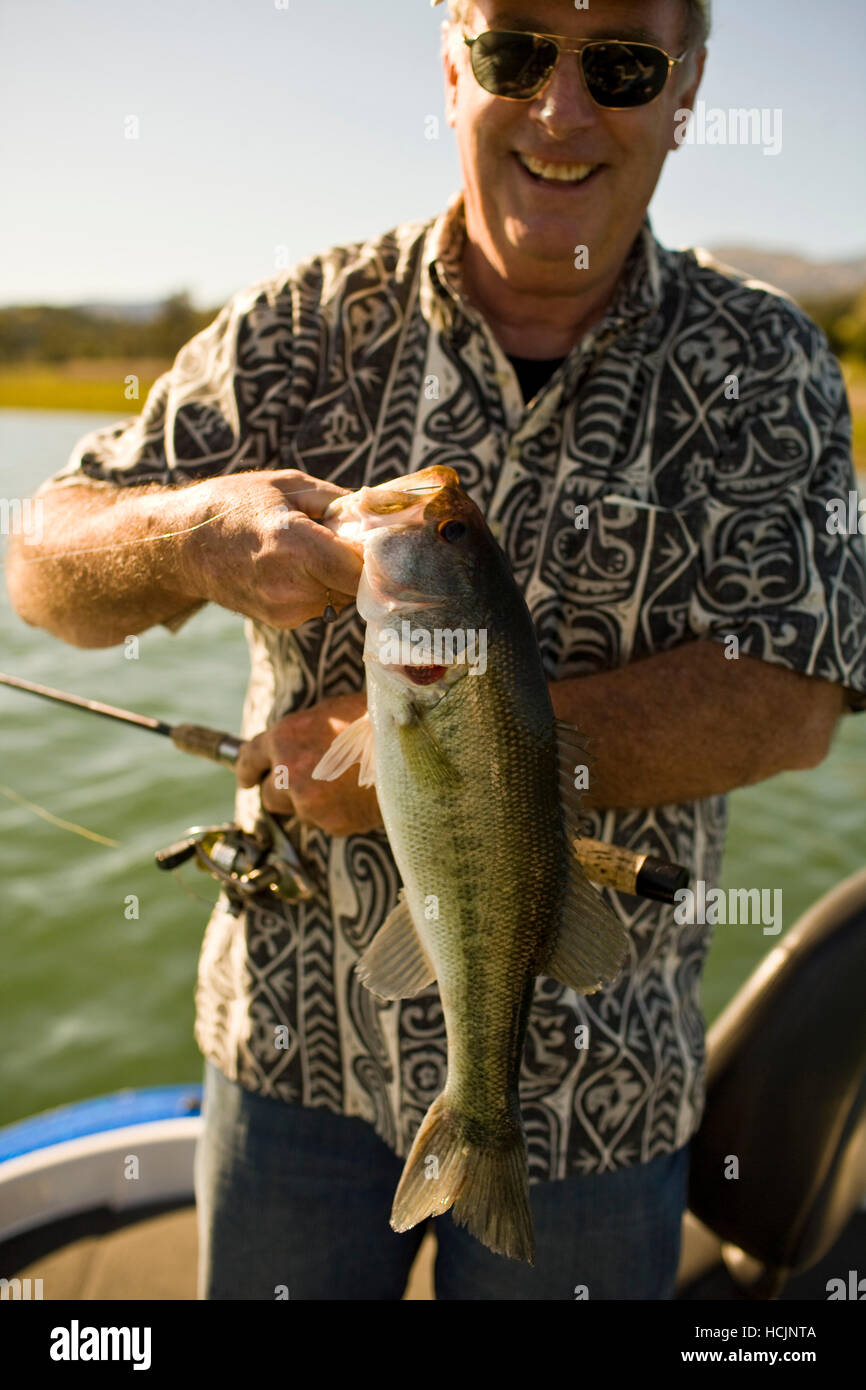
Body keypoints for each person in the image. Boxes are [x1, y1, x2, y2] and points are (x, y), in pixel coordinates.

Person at [6, 0, 866, 1301]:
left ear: (684, 90)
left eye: (620, 64)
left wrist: (418, 776)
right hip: (290, 1050)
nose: (561, 110)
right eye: (517, 50)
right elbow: (40, 566)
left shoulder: (765, 361)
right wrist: (186, 534)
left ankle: (483, 1133)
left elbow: (794, 699)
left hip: (594, 1093)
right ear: (452, 60)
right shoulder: (298, 320)